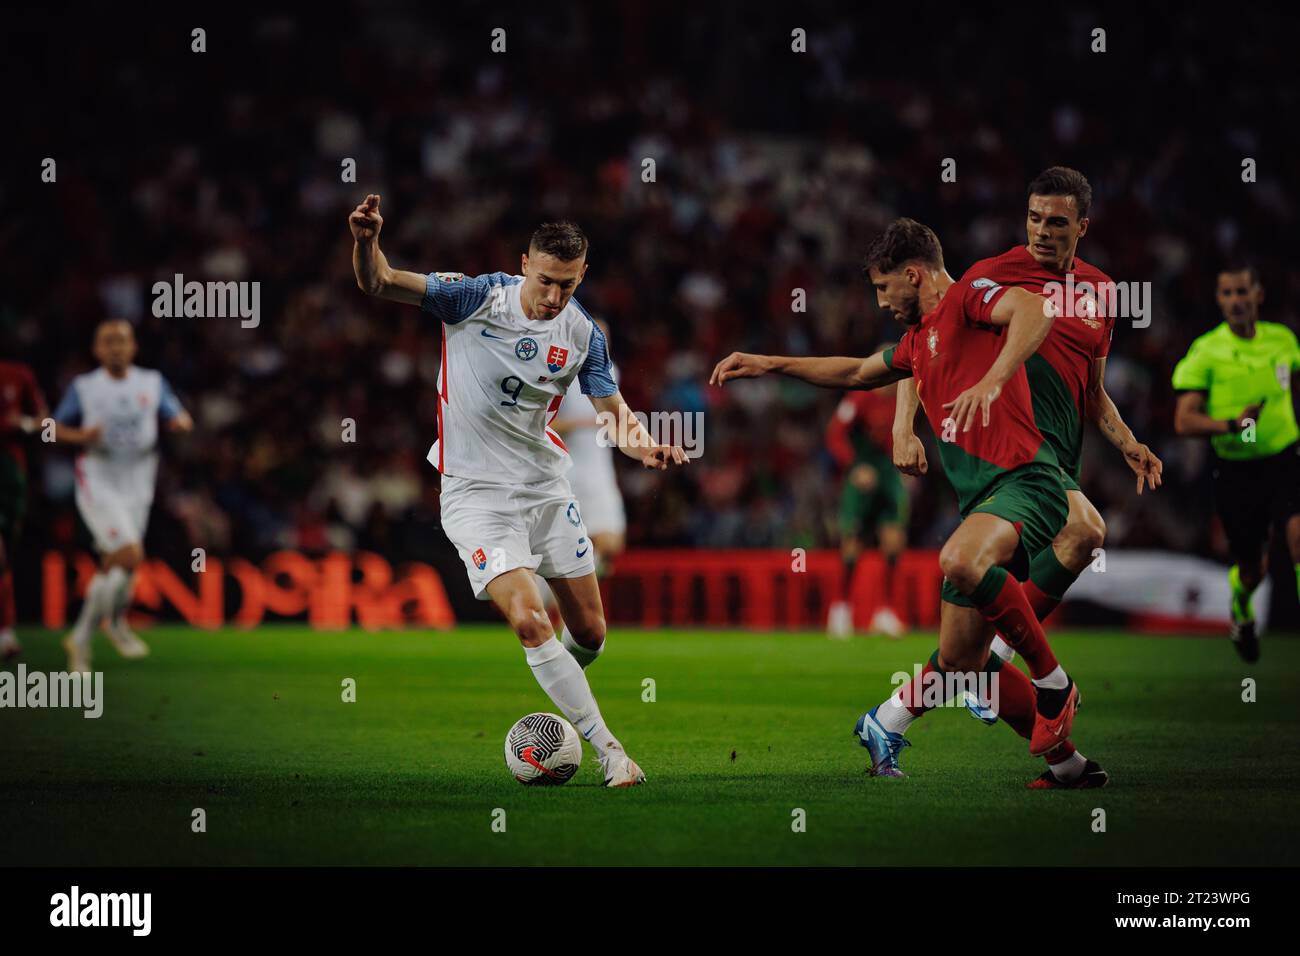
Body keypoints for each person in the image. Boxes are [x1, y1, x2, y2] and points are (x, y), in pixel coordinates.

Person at [713, 218, 1101, 787]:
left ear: (913, 275)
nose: (880, 300)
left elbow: (1034, 312)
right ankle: (1063, 764)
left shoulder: (969, 297)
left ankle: (1053, 683)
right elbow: (853, 370)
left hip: (1028, 480)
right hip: (984, 503)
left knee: (960, 561)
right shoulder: (920, 342)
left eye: (882, 287)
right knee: (965, 661)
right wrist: (770, 362)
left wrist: (994, 380)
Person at [350, 194, 687, 787]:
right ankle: (612, 753)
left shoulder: (583, 333)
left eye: (568, 284)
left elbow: (614, 413)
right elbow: (379, 283)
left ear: (582, 275)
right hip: (476, 495)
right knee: (532, 622)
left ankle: (558, 686)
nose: (555, 297)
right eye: (547, 280)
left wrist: (646, 445)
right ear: (524, 263)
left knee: (591, 634)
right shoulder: (473, 297)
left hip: (546, 490)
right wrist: (366, 241)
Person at [1173, 264, 1300, 661]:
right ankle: (1241, 606)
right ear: (1218, 299)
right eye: (1227, 293)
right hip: (1236, 470)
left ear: (1258, 294)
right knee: (1253, 570)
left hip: (1284, 457)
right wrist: (1231, 424)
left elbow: (1294, 392)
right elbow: (1183, 420)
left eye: (1242, 292)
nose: (1236, 301)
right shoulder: (1207, 351)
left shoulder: (1284, 342)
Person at [53, 319, 194, 671]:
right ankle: (83, 637)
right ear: (97, 350)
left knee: (120, 569)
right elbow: (48, 430)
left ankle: (113, 624)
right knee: (130, 554)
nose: (116, 347)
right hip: (99, 481)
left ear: (133, 347)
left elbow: (181, 417)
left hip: (139, 484)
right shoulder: (85, 388)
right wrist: (80, 435)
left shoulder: (151, 382)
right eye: (108, 342)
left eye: (122, 341)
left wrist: (179, 423)